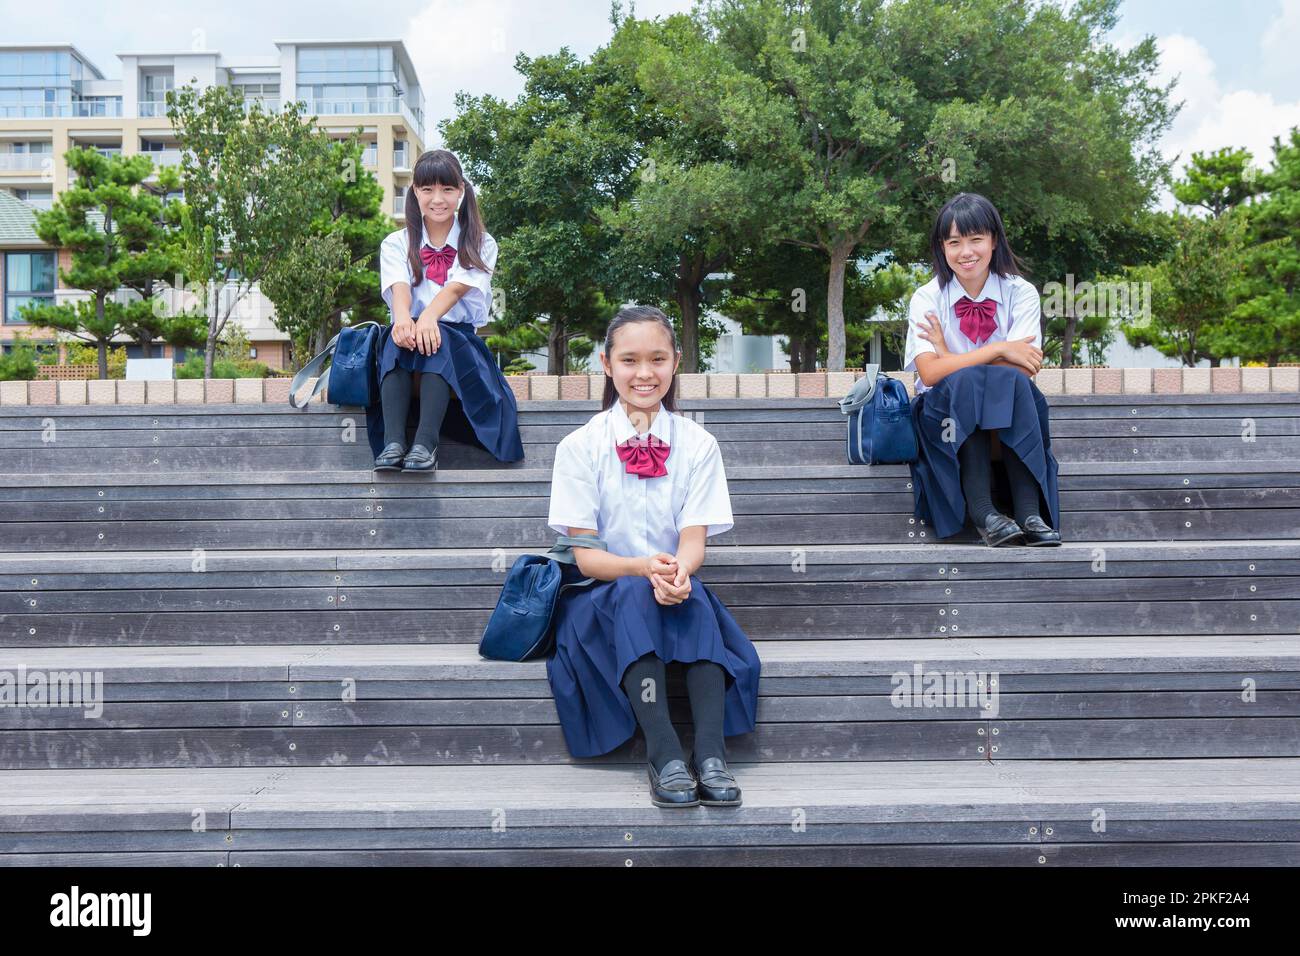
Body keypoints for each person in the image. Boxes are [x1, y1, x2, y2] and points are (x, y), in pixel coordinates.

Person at [545, 306, 762, 808]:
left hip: (667, 586)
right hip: (601, 601)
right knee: (633, 591)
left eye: (657, 359)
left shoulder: (698, 444)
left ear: (676, 362)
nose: (644, 373)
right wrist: (644, 568)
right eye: (630, 360)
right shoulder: (580, 447)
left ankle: (710, 754)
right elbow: (587, 559)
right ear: (606, 364)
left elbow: (692, 542)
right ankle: (664, 753)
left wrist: (679, 572)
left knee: (694, 596)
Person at [902, 192, 1062, 547]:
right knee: (969, 385)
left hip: (1008, 407)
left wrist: (949, 357)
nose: (966, 252)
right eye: (954, 242)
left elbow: (1025, 368)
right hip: (943, 420)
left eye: (976, 239)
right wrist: (999, 348)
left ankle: (1028, 512)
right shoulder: (927, 297)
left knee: (1004, 383)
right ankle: (983, 511)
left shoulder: (1020, 292)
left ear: (993, 241)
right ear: (942, 248)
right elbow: (928, 375)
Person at [372, 148, 523, 471]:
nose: (437, 199)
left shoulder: (481, 242)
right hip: (409, 337)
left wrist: (428, 318)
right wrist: (402, 321)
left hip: (460, 343)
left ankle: (425, 445)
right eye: (427, 189)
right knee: (392, 338)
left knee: (437, 336)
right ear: (414, 192)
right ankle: (394, 443)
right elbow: (399, 288)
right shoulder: (395, 242)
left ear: (462, 191)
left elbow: (455, 290)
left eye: (447, 189)